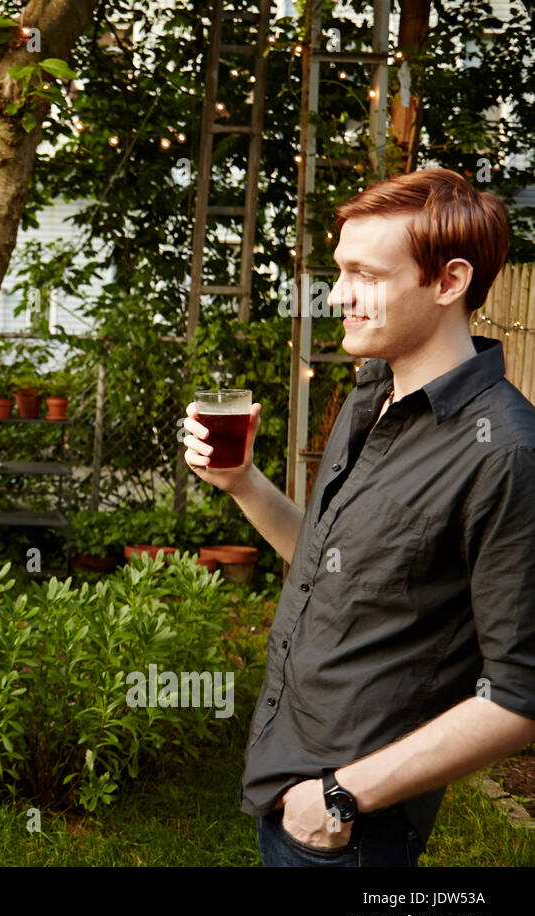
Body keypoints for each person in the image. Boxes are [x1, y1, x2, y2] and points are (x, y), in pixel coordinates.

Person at [181, 168, 535, 867]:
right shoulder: (371, 392)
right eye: (340, 270)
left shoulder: (508, 454)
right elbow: (327, 564)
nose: (338, 294)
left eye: (364, 274)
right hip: (286, 783)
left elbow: (519, 698)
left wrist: (338, 798)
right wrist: (243, 482)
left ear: (448, 282)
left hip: (349, 830)